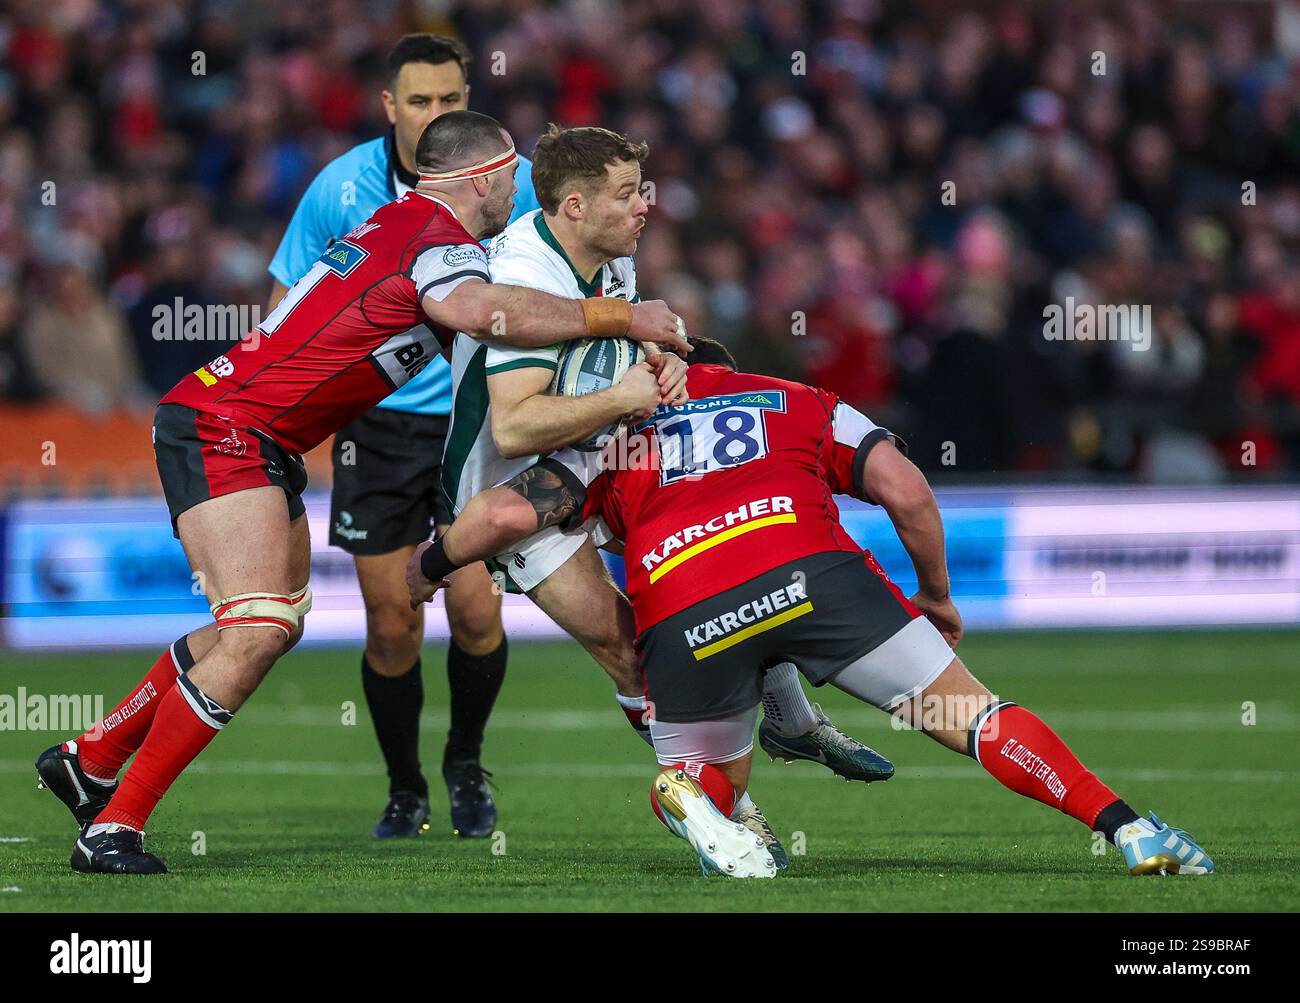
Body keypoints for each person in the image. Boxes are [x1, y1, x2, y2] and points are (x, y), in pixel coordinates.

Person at [35, 110, 689, 875]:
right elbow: (486, 314)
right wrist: (625, 315)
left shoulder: (404, 226)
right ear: (481, 178)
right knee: (257, 627)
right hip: (227, 426)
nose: (517, 187)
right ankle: (114, 826)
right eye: (509, 174)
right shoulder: (438, 241)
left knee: (269, 623)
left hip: (253, 432)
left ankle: (96, 754)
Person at [411, 337, 1215, 879]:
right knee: (975, 716)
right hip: (813, 576)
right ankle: (1126, 827)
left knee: (713, 784)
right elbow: (905, 487)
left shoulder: (610, 434)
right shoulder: (795, 398)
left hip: (683, 608)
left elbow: (506, 518)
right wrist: (935, 594)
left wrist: (430, 564)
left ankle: (686, 786)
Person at [421, 123, 895, 866]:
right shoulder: (524, 274)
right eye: (626, 194)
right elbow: (514, 426)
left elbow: (614, 352)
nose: (645, 206)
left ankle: (789, 719)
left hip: (601, 456)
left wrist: (659, 364)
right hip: (515, 491)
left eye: (641, 189)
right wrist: (627, 392)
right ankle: (731, 809)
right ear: (574, 206)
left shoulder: (612, 255)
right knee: (629, 650)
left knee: (725, 578)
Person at [266, 34, 540, 839]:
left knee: (478, 614)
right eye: (418, 101)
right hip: (376, 431)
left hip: (479, 420)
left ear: (469, 97)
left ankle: (464, 760)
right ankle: (404, 788)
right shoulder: (340, 187)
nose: (434, 115)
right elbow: (285, 307)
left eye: (450, 100)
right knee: (390, 622)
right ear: (389, 107)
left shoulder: (512, 183)